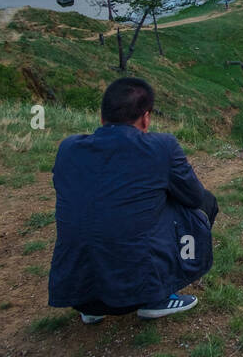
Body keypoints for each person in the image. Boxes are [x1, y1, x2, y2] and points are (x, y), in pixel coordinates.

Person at [48, 77, 219, 323]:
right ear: (146, 117)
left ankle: (93, 308)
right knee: (204, 203)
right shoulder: (162, 147)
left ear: (102, 117)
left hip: (77, 292)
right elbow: (193, 197)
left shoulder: (68, 148)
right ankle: (158, 298)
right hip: (137, 291)